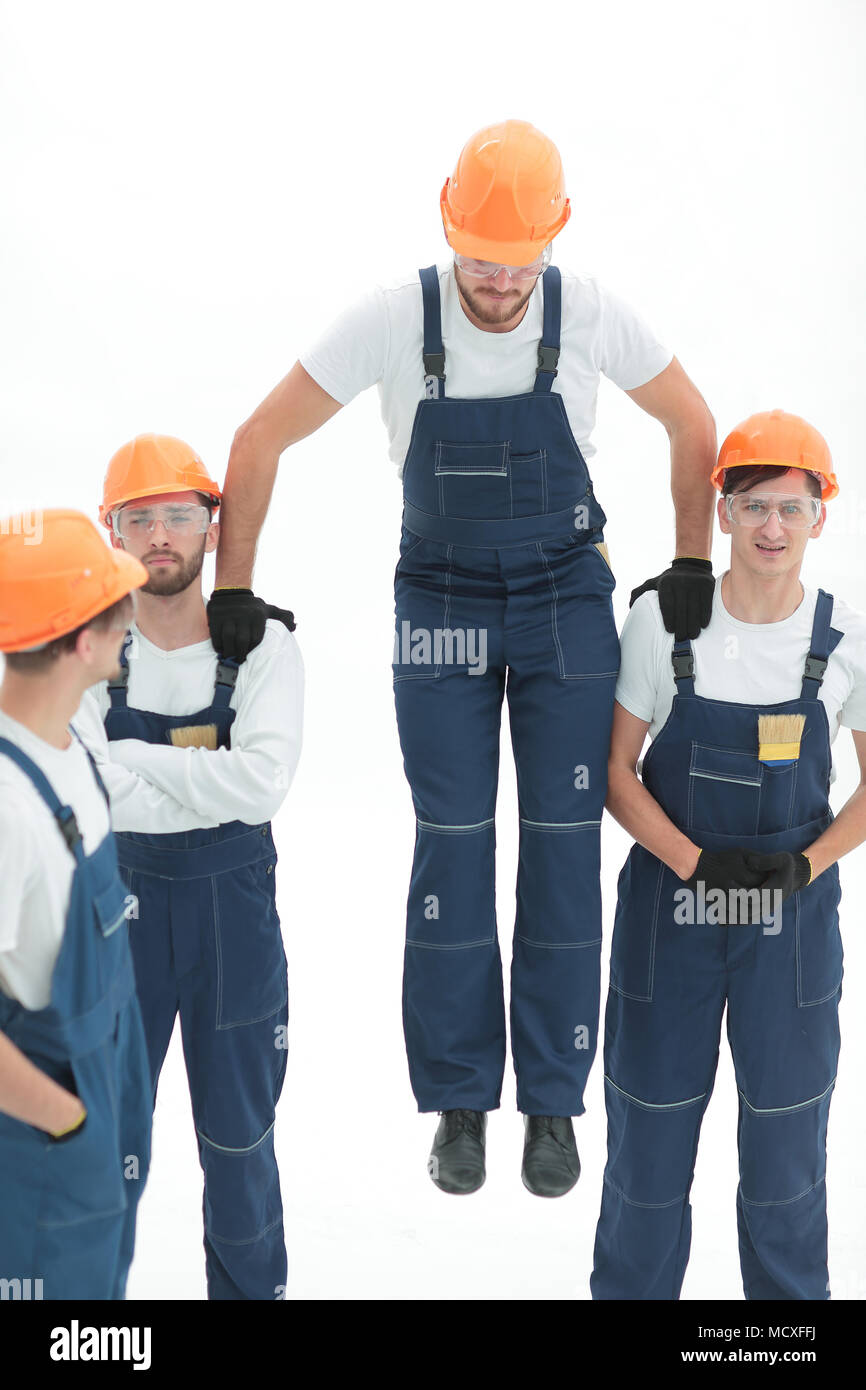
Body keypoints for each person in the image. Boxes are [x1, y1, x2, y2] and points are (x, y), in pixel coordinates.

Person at [207, 119, 718, 1197]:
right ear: (447, 230)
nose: (494, 280)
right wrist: (232, 589)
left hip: (562, 601)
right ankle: (456, 1102)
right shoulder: (398, 318)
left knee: (561, 842)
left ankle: (549, 1105)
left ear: (554, 238)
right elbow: (257, 439)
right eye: (476, 257)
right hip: (438, 597)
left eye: (513, 261)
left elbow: (690, 421)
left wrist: (687, 561)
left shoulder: (589, 315)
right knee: (451, 843)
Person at [591, 409, 866, 1299]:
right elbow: (615, 772)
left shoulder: (849, 640)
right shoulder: (662, 624)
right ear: (722, 514)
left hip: (789, 925)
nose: (773, 528)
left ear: (821, 514)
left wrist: (811, 864)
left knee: (787, 1152)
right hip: (671, 917)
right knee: (649, 1147)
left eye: (792, 506)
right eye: (753, 507)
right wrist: (691, 863)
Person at [73, 433, 304, 1300]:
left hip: (232, 921)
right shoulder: (86, 648)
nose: (161, 534)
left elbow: (265, 785)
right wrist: (213, 780)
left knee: (239, 1141)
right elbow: (86, 792)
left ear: (213, 524)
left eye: (179, 514)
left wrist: (138, 766)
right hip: (114, 914)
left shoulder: (266, 647)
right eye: (142, 518)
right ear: (114, 534)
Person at [0, 509, 152, 1299]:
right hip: (43, 1125)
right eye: (117, 603)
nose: (135, 615)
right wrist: (67, 1120)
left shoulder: (71, 749)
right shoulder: (7, 808)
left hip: (109, 1075)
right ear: (80, 641)